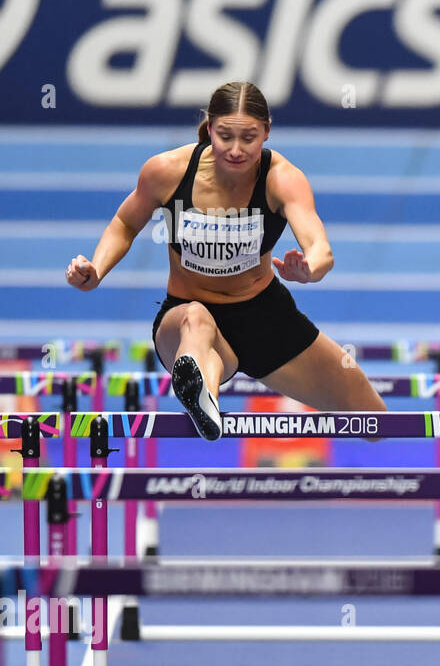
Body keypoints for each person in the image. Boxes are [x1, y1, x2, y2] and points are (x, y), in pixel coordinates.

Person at [66, 81, 384, 439]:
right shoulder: (167, 171)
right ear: (209, 128)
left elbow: (321, 247)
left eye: (248, 137)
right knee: (197, 320)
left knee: (374, 421)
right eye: (224, 136)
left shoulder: (283, 179)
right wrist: (97, 269)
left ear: (266, 131)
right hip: (186, 316)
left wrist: (309, 269)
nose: (235, 149)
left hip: (265, 317)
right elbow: (125, 223)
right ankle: (204, 394)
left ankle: (204, 389)